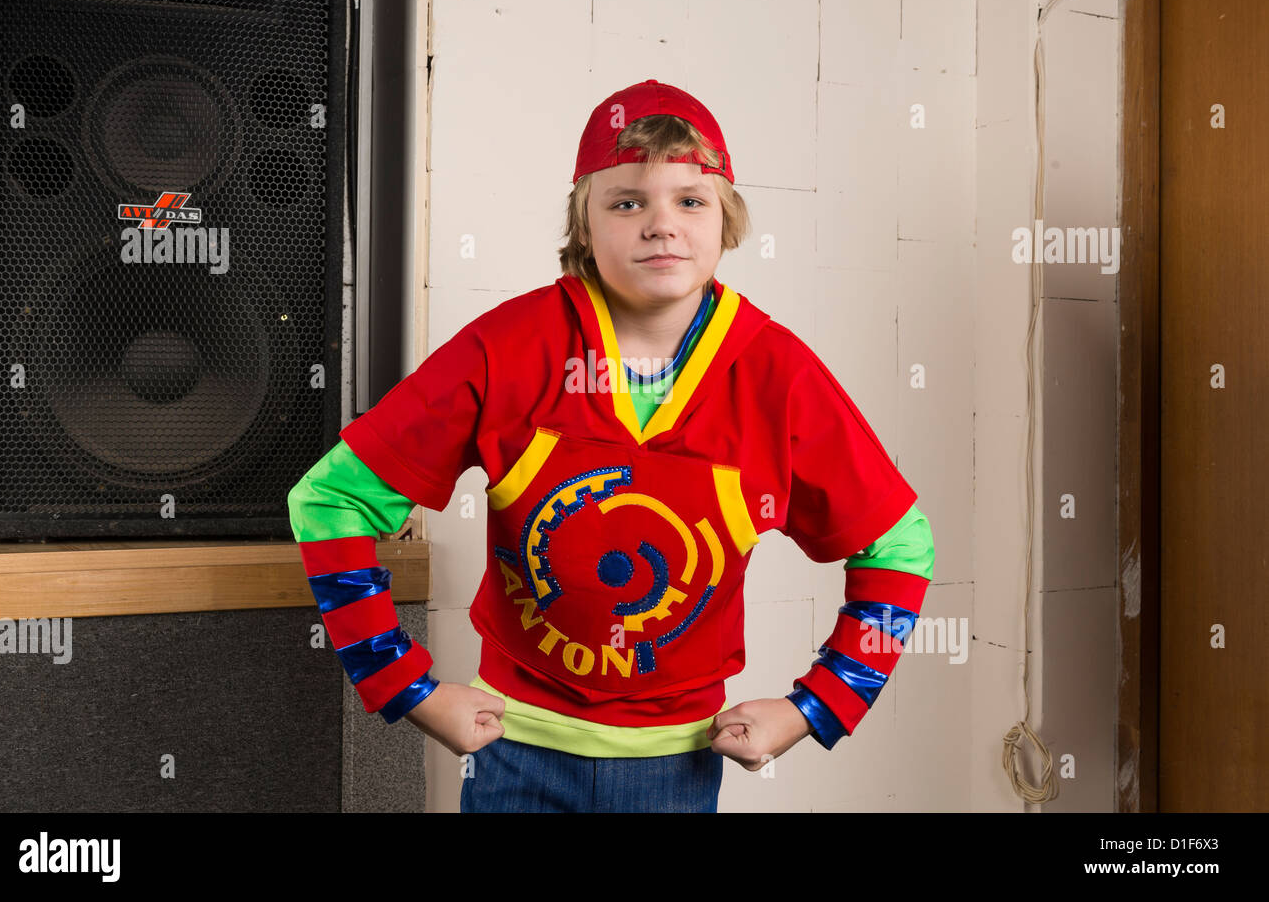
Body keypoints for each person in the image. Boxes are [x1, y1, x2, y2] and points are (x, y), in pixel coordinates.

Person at [288, 79, 935, 813]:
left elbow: (900, 544)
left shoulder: (777, 373)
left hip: (677, 762)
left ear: (726, 219)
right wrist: (401, 683)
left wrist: (820, 704)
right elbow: (329, 499)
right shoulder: (509, 348)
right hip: (514, 750)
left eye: (690, 200)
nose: (661, 224)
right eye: (627, 201)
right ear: (584, 224)